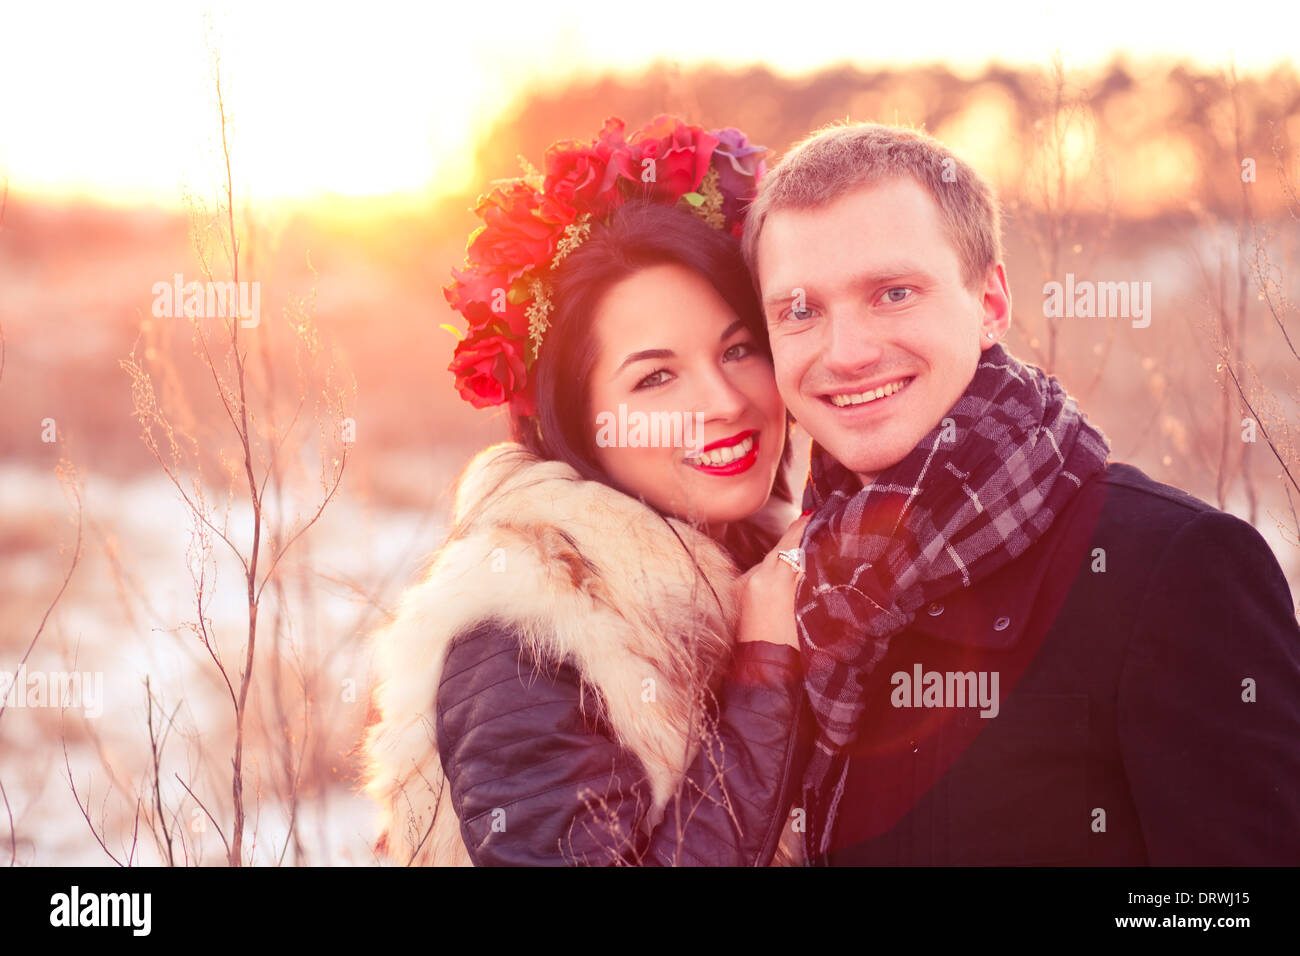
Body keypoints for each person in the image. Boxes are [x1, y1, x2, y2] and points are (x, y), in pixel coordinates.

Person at [743, 121, 1300, 865]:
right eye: (800, 311)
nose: (846, 352)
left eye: (894, 292)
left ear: (991, 303)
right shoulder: (799, 589)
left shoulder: (1172, 568)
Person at [362, 116, 811, 865]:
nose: (725, 401)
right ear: (580, 422)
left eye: (738, 349)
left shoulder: (775, 555)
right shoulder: (528, 631)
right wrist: (765, 675)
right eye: (656, 377)